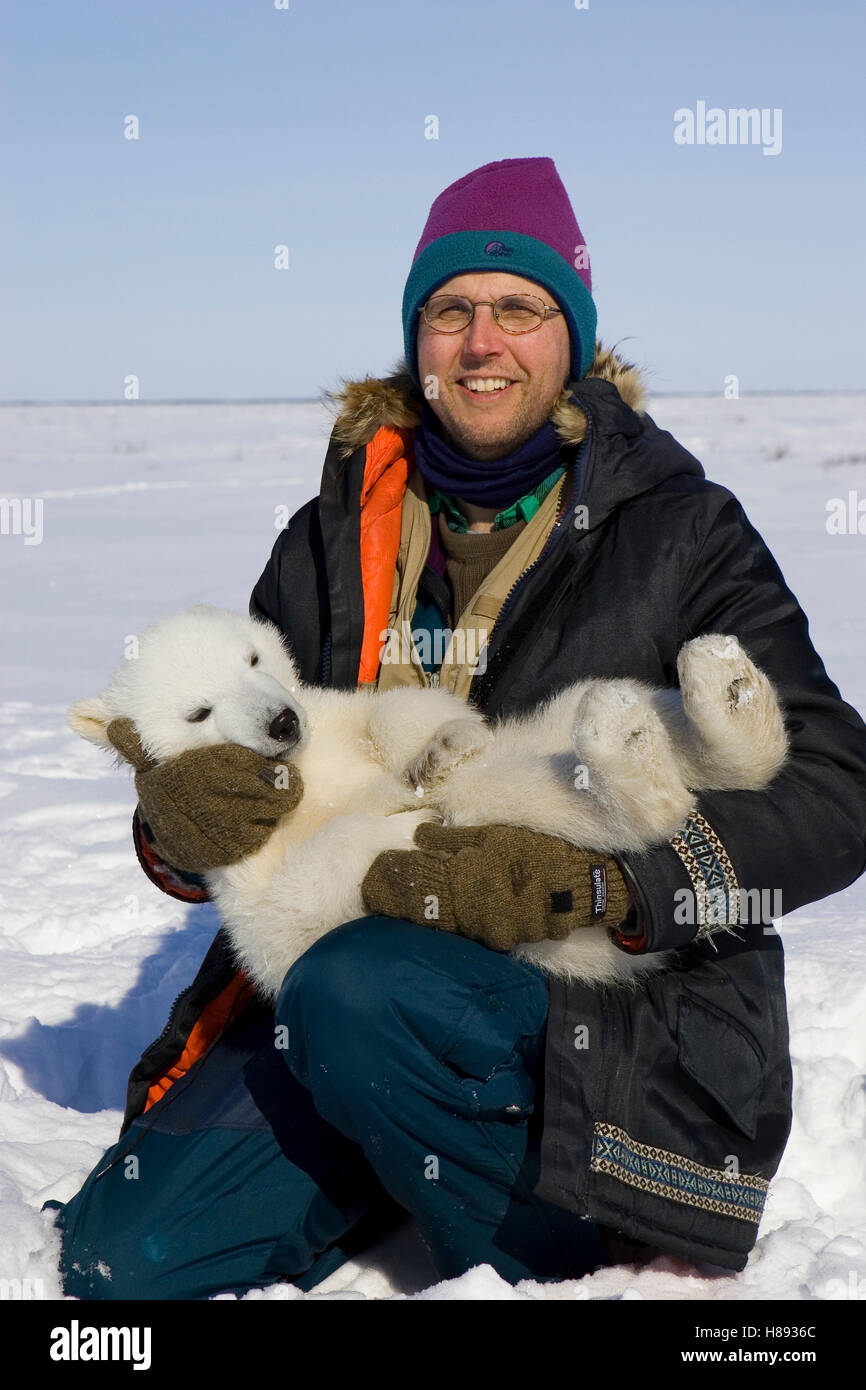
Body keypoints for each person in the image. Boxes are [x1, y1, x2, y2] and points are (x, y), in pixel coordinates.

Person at [50, 157, 866, 1299]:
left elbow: (836, 789)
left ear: (569, 336)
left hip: (609, 1022)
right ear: (415, 338)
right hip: (349, 988)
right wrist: (175, 824)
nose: (482, 342)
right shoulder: (329, 537)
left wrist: (605, 890)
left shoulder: (683, 530)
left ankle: (549, 1256)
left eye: (518, 309)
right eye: (450, 310)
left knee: (356, 987)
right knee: (118, 1262)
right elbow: (230, 752)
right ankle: (402, 1134)